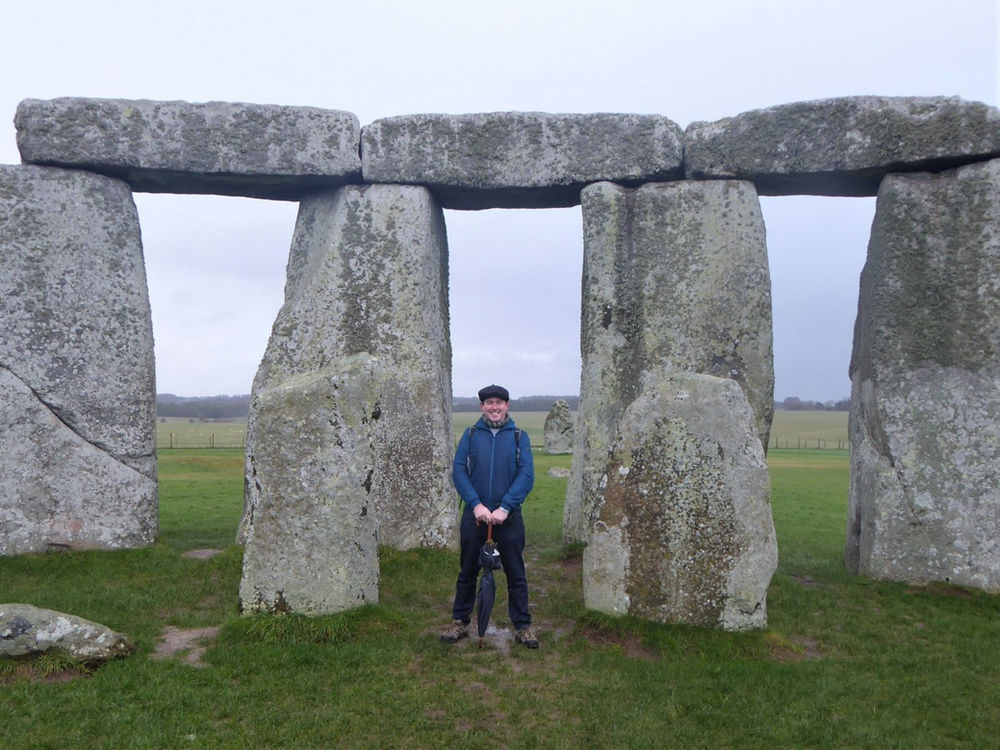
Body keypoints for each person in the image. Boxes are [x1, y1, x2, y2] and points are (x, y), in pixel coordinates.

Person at [440, 384, 538, 648]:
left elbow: (526, 475)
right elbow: (459, 471)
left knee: (516, 573)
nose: (494, 407)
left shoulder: (519, 436)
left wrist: (505, 507)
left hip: (509, 518)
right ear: (482, 407)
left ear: (507, 405)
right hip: (476, 517)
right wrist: (476, 505)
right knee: (467, 571)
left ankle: (523, 625)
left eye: (499, 402)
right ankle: (460, 621)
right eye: (489, 403)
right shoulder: (471, 435)